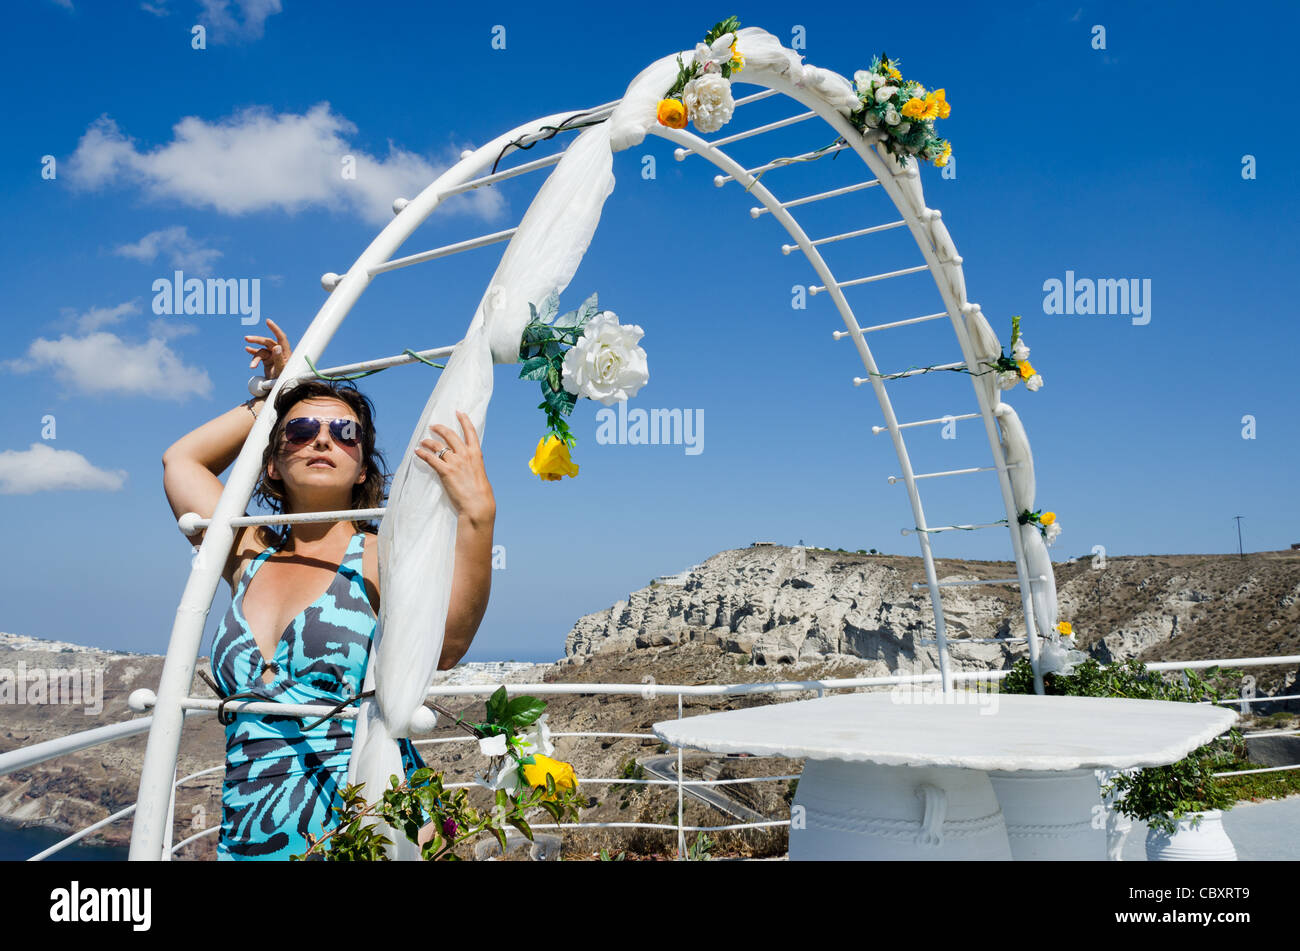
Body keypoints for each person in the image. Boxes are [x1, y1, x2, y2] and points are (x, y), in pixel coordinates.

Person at [161, 318, 496, 859]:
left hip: (370, 822)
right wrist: (279, 393)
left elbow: (449, 647)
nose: (322, 439)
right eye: (299, 431)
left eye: (344, 434)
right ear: (271, 461)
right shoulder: (246, 554)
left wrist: (479, 517)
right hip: (252, 830)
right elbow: (182, 461)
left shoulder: (379, 554)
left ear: (363, 467)